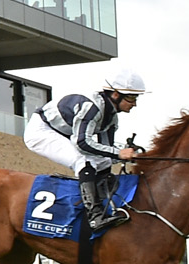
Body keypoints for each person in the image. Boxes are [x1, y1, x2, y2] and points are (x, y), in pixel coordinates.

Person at [26, 68, 145, 231]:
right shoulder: (92, 108)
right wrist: (119, 153)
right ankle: (95, 216)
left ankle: (105, 207)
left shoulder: (112, 118)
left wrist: (125, 155)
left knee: (102, 161)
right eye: (131, 98)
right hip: (41, 131)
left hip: (65, 134)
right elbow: (82, 143)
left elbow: (106, 153)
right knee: (83, 161)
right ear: (116, 95)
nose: (135, 104)